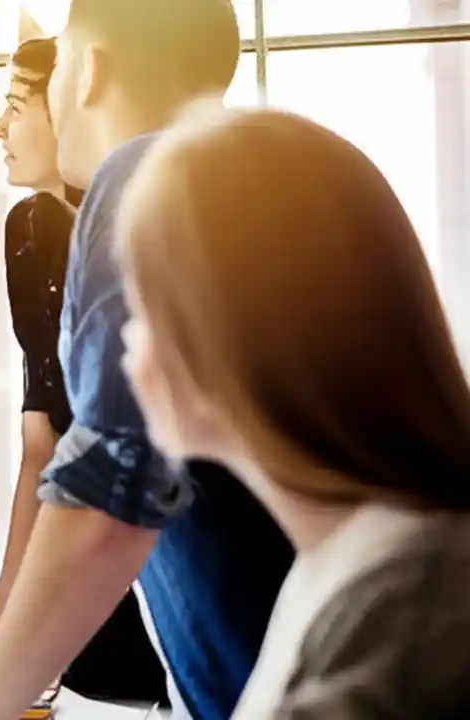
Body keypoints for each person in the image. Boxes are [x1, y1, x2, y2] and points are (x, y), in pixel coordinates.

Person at [0, 2, 293, 718]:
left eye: (58, 63)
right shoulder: (278, 175)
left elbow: (112, 483)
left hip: (264, 669)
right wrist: (0, 655)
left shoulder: (138, 181)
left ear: (89, 70)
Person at [116, 106, 470, 718]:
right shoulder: (349, 564)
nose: (125, 343)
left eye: (140, 308)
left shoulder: (398, 611)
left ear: (218, 332)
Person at [0, 37, 165, 703]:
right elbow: (43, 443)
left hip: (154, 551)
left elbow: (64, 448)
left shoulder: (148, 211)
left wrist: (3, 649)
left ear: (70, 103)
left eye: (13, 107)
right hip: (91, 564)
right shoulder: (32, 230)